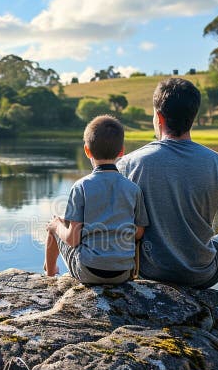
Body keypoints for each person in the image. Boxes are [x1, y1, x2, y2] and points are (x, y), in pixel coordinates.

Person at [117, 78, 218, 298]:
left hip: (149, 272)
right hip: (200, 275)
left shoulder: (127, 164)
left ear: (159, 117)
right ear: (192, 118)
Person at [44, 115, 149, 284]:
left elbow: (72, 239)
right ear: (121, 151)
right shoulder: (133, 189)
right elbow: (139, 232)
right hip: (123, 273)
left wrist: (57, 226)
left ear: (87, 150)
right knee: (63, 223)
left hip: (89, 271)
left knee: (54, 225)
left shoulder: (81, 186)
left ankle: (49, 276)